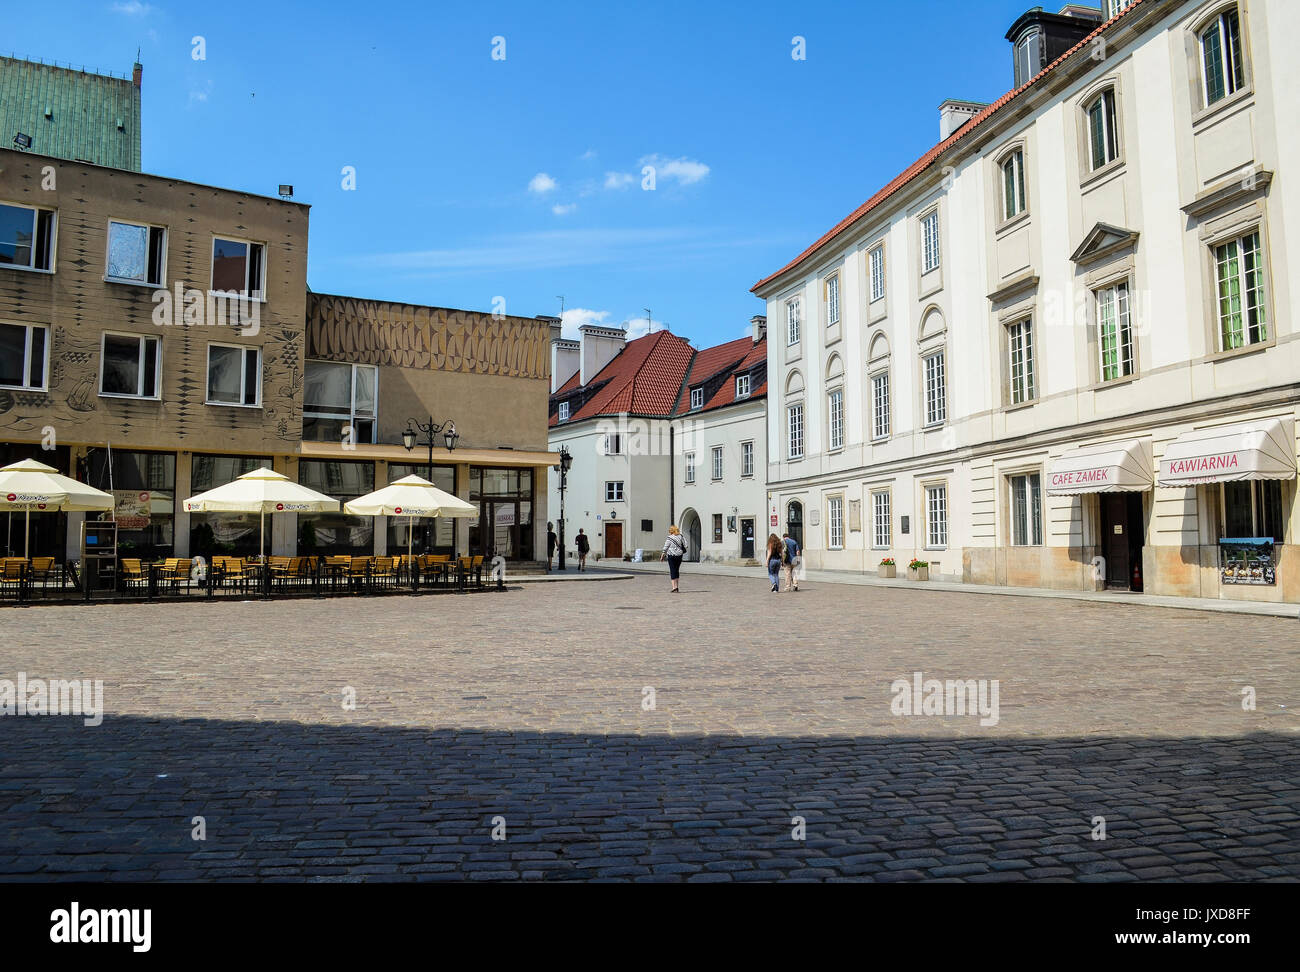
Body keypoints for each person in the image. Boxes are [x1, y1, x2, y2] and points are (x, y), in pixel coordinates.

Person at [662, 524, 688, 593]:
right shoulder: (681, 536)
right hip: (679, 555)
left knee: (672, 570)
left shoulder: (669, 538)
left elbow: (665, 547)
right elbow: (686, 545)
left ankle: (674, 587)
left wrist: (662, 555)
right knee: (676, 570)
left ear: (671, 531)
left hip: (671, 555)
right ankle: (677, 586)